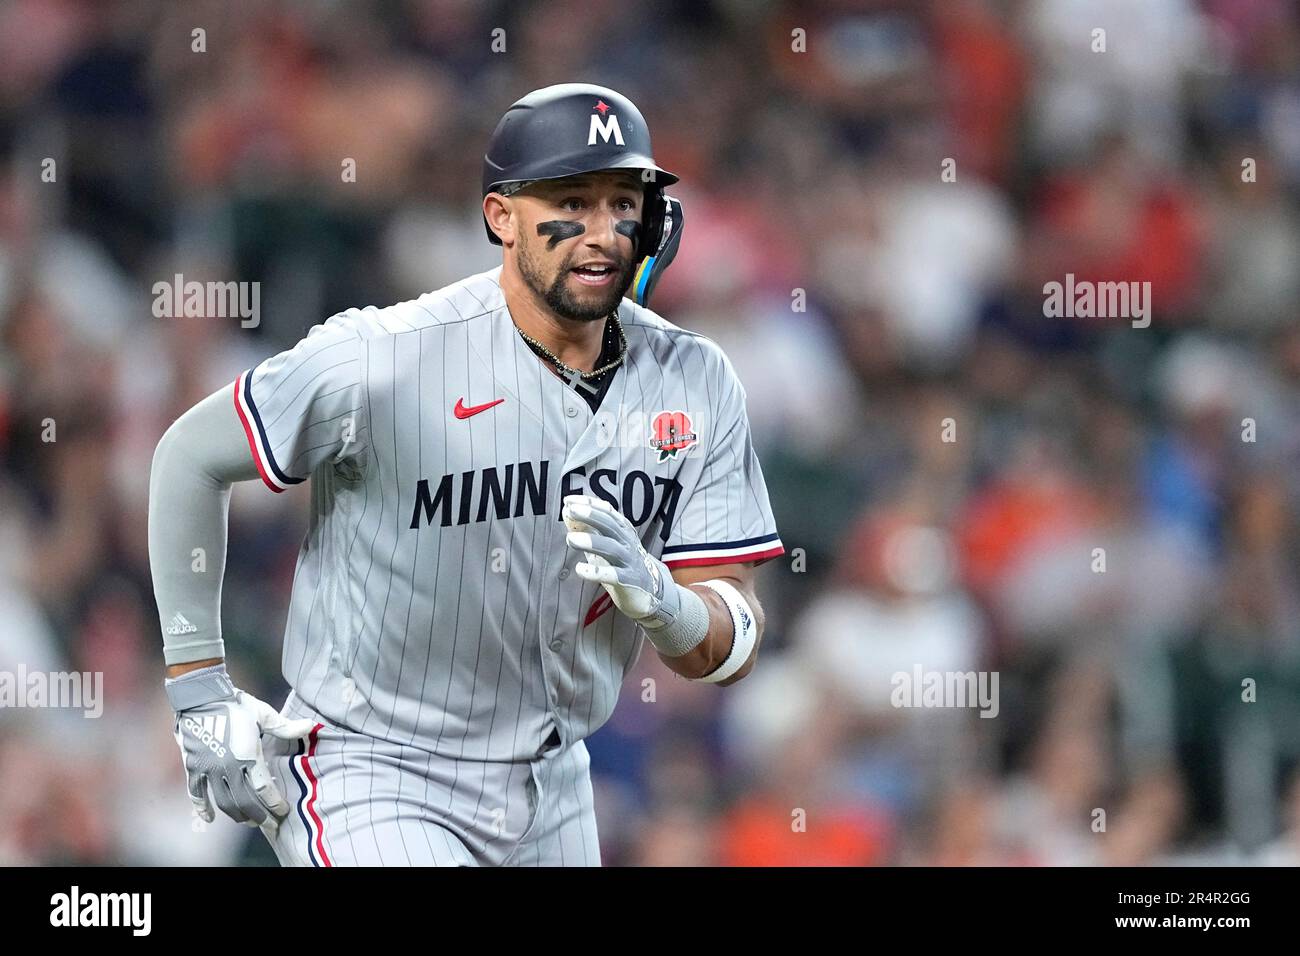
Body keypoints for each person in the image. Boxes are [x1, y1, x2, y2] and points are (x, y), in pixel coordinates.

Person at [147, 82, 783, 866]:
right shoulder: (386, 358)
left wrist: (669, 608)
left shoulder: (696, 377)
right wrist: (197, 688)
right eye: (571, 201)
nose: (603, 231)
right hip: (376, 768)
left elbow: (732, 638)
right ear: (500, 217)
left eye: (624, 202)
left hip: (553, 782)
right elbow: (189, 456)